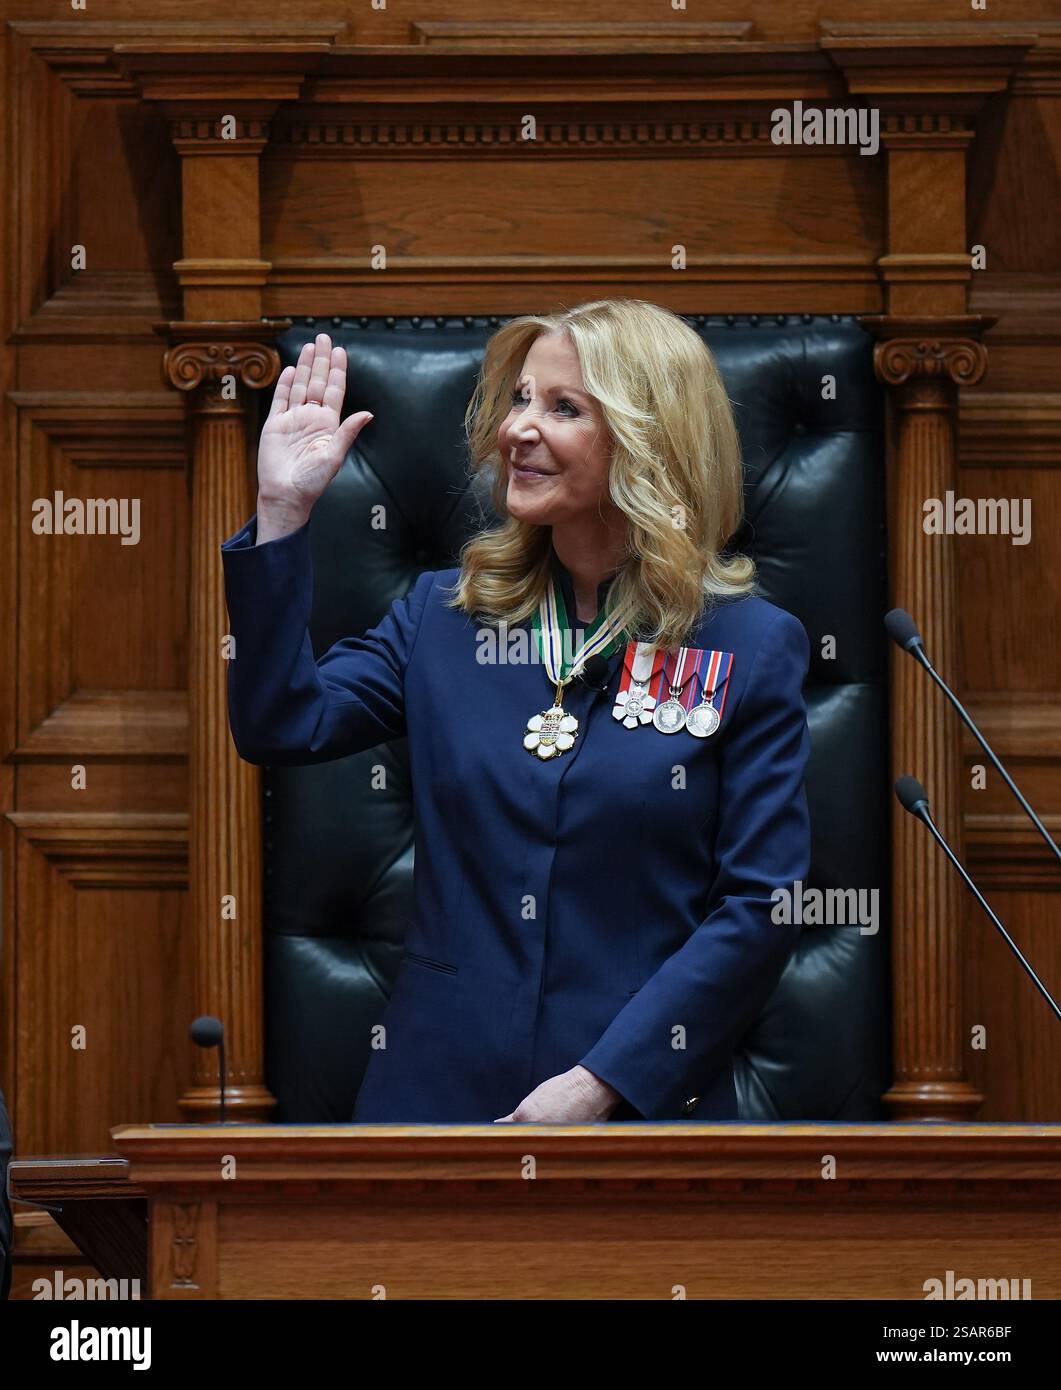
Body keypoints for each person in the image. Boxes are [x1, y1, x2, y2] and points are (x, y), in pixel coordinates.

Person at [220, 298, 811, 1123]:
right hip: (434, 1097)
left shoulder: (748, 644)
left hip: (637, 1108)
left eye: (563, 408)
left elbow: (757, 907)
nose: (517, 429)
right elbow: (282, 723)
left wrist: (601, 1083)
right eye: (520, 399)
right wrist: (282, 514)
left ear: (650, 440)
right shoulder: (442, 618)